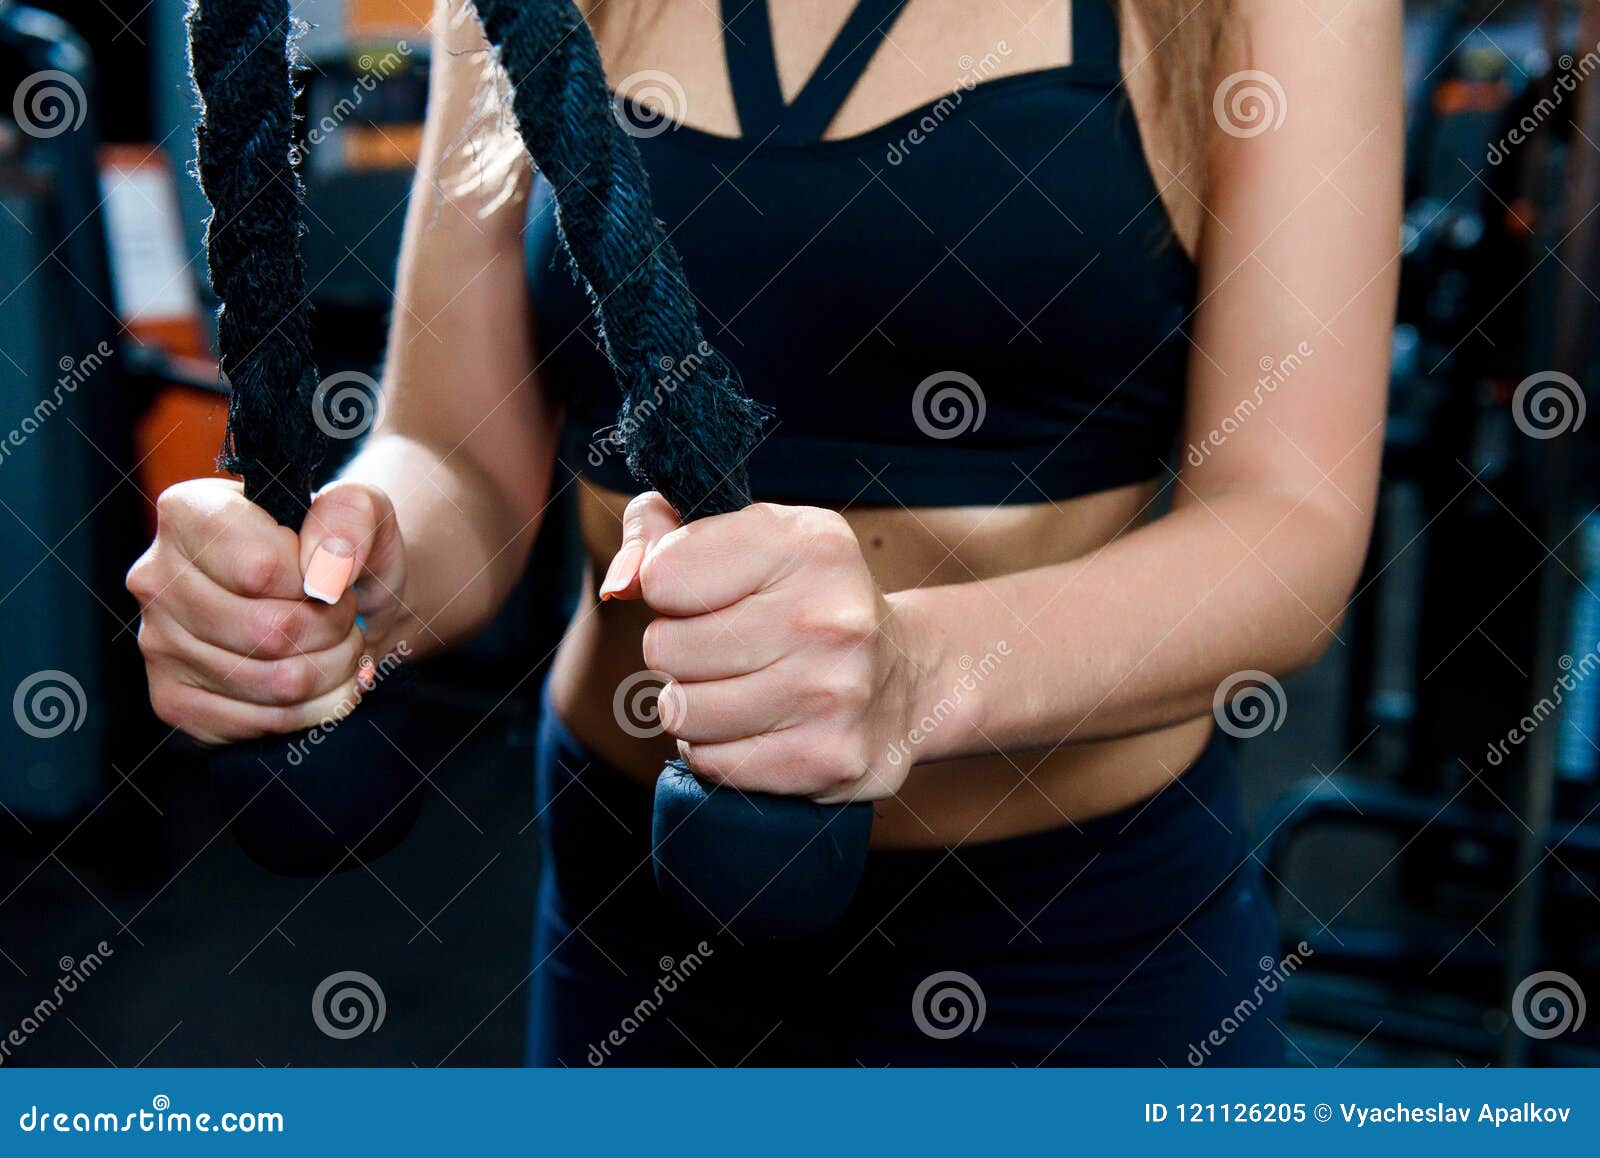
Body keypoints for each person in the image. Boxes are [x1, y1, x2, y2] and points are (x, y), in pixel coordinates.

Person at [126, 0, 1401, 1065]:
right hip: (637, 924)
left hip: (1086, 942)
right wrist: (345, 573)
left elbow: (1285, 525)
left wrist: (917, 674)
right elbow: (455, 451)